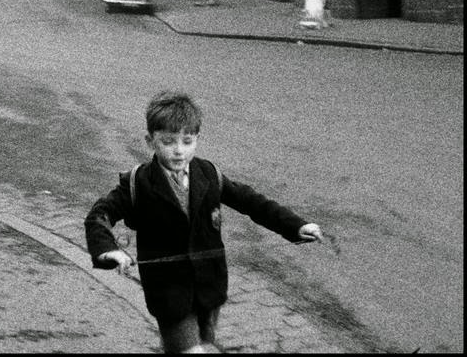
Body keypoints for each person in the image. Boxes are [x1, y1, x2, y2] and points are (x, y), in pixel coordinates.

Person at [84, 91, 323, 353]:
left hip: (209, 286)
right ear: (150, 141)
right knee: (191, 350)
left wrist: (296, 226)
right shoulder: (137, 183)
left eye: (187, 141)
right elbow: (100, 215)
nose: (178, 150)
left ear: (197, 139)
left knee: (194, 342)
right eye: (167, 141)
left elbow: (252, 202)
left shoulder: (208, 174)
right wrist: (109, 250)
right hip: (169, 294)